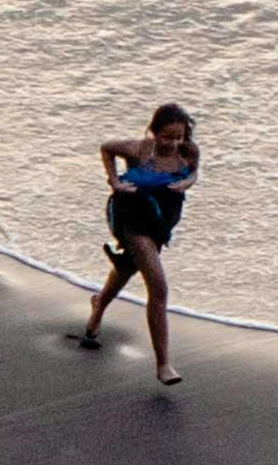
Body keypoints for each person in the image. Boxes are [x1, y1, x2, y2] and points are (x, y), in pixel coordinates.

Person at [84, 98, 198, 381]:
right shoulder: (139, 150)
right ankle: (163, 366)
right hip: (131, 216)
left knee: (127, 269)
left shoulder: (189, 151)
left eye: (178, 136)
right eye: (166, 136)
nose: (172, 143)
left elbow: (194, 173)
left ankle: (98, 306)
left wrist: (187, 182)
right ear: (154, 131)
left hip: (160, 223)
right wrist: (113, 180)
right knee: (158, 287)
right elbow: (107, 147)